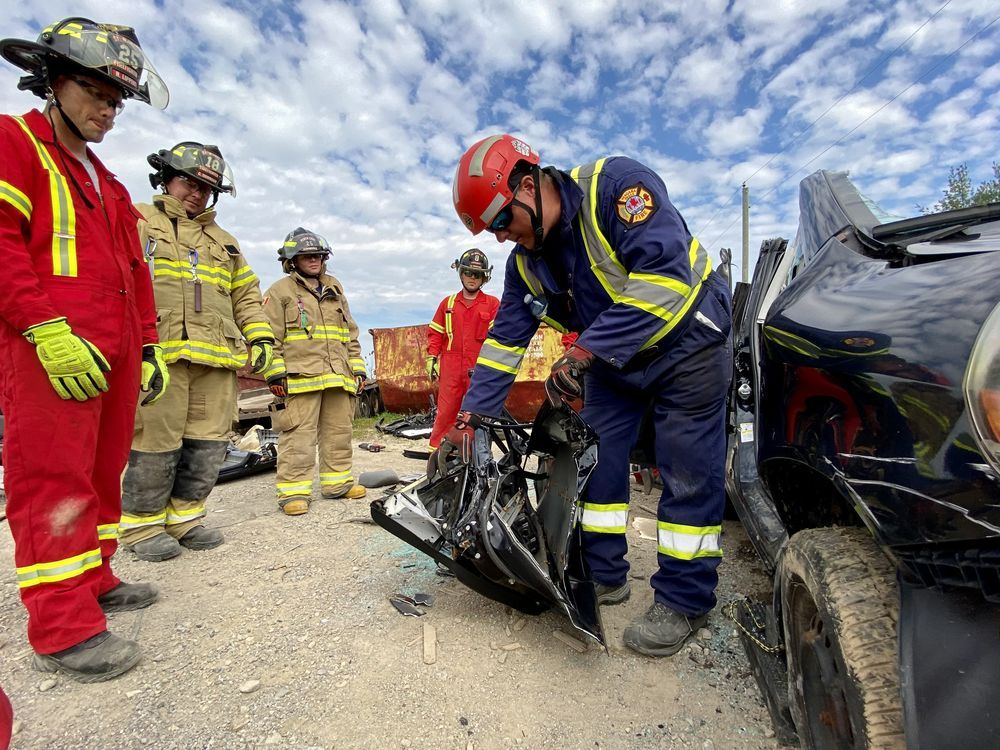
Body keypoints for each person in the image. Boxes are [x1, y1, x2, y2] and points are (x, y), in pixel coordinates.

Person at [449, 134, 733, 657]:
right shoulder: (526, 266)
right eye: (492, 230)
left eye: (502, 221)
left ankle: (685, 601)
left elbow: (665, 283)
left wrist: (583, 355)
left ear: (528, 184)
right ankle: (605, 575)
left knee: (687, 470)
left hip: (689, 341)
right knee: (595, 462)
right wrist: (472, 418)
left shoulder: (617, 188)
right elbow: (504, 345)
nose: (502, 238)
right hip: (615, 359)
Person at [0, 17, 170, 681]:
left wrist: (148, 346)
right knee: (53, 482)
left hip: (117, 347)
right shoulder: (16, 143)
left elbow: (135, 273)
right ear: (55, 81)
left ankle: (95, 578)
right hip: (51, 344)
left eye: (117, 99)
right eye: (98, 91)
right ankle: (61, 626)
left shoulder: (113, 185)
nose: (109, 108)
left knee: (102, 475)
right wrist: (43, 328)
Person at [119, 142, 274, 561]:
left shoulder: (225, 241)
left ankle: (186, 518)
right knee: (155, 439)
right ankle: (142, 526)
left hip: (217, 356)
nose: (196, 193)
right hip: (161, 354)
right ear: (167, 177)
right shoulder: (136, 219)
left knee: (207, 441)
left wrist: (259, 337)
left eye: (206, 188)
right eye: (189, 182)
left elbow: (246, 294)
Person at [261, 228, 368, 516]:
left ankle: (338, 483)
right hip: (300, 378)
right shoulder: (279, 291)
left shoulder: (335, 289)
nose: (314, 260)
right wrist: (274, 372)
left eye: (319, 255)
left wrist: (358, 369)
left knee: (339, 432)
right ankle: (294, 491)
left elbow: (350, 334)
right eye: (307, 255)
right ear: (292, 260)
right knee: (298, 436)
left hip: (338, 375)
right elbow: (268, 336)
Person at [425, 249, 500, 448]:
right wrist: (432, 357)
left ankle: (479, 455)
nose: (472, 278)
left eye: (477, 274)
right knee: (446, 412)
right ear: (460, 273)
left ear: (484, 277)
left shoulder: (492, 304)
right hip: (451, 366)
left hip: (480, 366)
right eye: (468, 272)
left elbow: (497, 338)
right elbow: (435, 334)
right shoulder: (447, 304)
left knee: (478, 414)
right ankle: (438, 455)